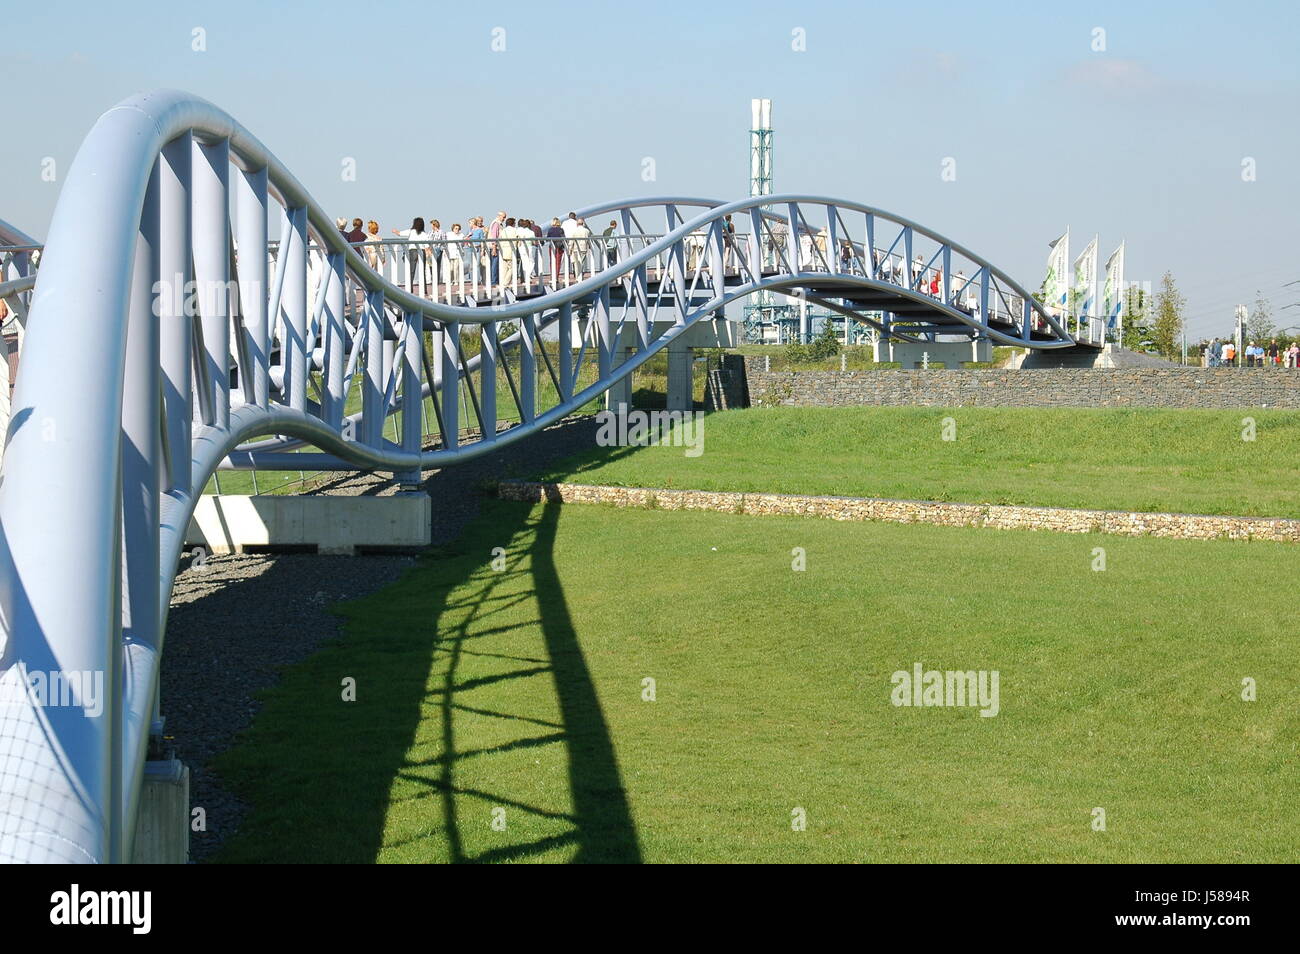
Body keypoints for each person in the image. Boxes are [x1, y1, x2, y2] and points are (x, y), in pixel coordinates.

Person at [392, 217, 430, 290]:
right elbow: (427, 246)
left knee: (412, 271)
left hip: (412, 251)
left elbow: (399, 234)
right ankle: (424, 289)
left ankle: (410, 288)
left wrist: (395, 231)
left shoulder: (411, 231)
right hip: (421, 251)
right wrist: (428, 252)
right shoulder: (424, 234)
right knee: (422, 271)